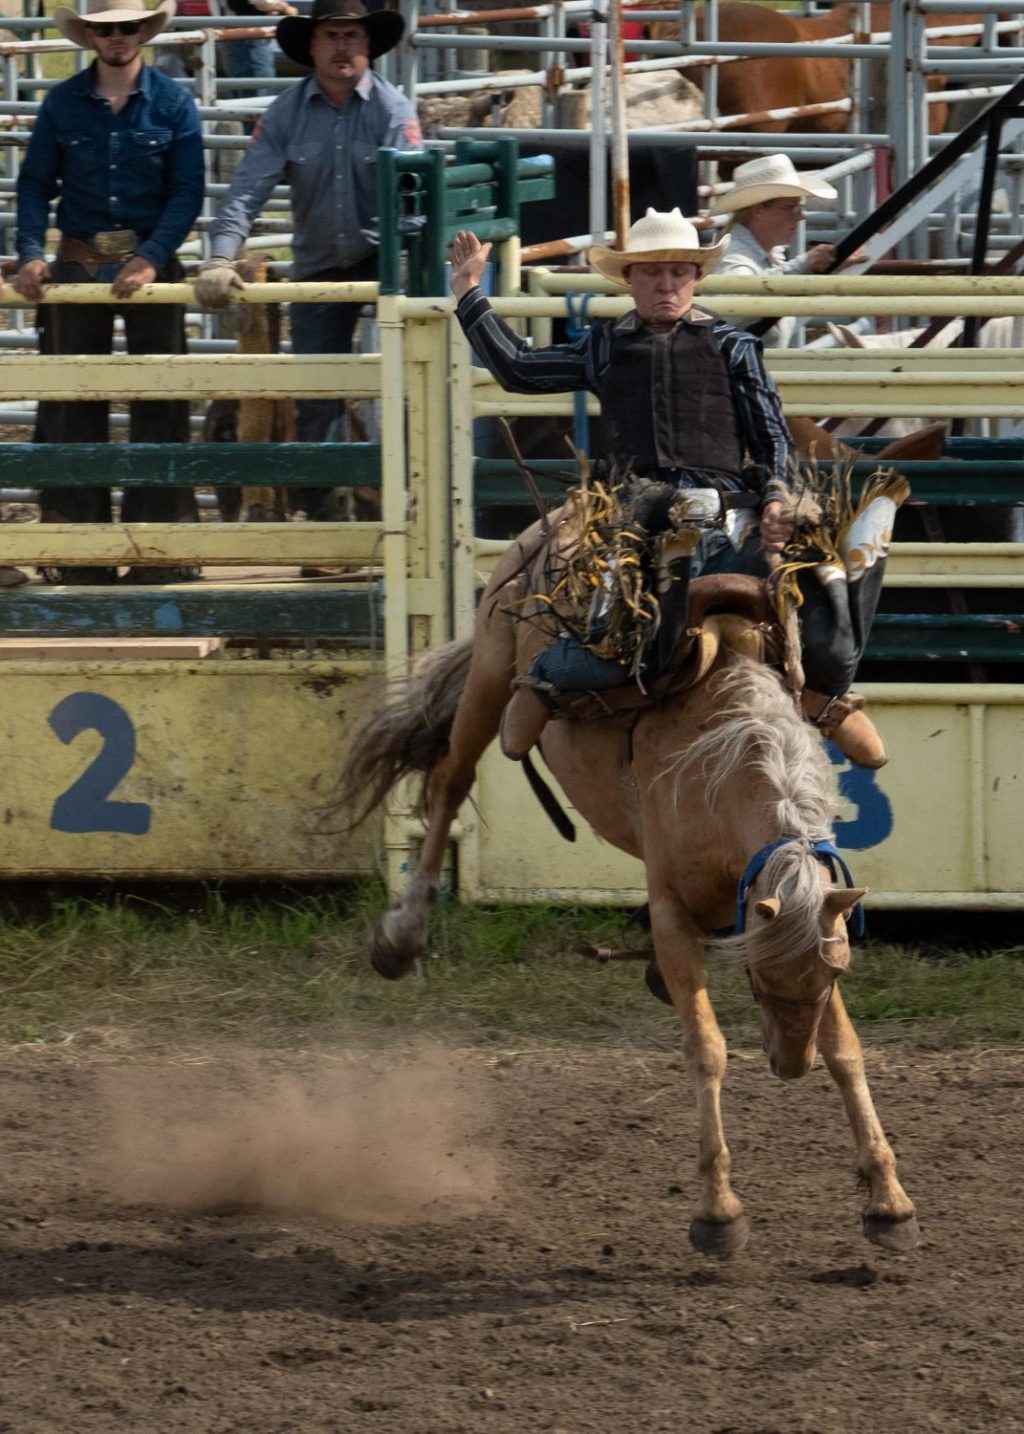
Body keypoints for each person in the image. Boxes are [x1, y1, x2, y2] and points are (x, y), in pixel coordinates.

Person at [449, 209, 888, 770]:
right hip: (639, 524)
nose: (666, 284)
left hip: (732, 519)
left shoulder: (734, 347)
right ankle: (545, 680)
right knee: (618, 629)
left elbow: (773, 436)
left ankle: (827, 694)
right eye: (652, 273)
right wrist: (468, 293)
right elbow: (518, 369)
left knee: (829, 588)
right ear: (629, 279)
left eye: (678, 272)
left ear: (696, 277)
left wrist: (778, 497)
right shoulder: (604, 346)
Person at [194, 0, 422, 522]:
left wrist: (407, 268)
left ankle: (411, 511)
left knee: (409, 384)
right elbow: (247, 191)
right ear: (313, 46)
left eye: (352, 36)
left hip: (386, 264)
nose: (343, 47)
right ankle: (327, 520)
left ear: (367, 46)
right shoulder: (286, 113)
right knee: (319, 392)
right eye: (332, 36)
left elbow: (412, 203)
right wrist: (221, 257)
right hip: (319, 265)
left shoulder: (394, 112)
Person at [14, 0, 205, 586]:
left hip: (148, 261)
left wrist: (150, 258)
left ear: (145, 30)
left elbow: (187, 190)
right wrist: (29, 254)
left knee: (161, 400)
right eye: (106, 28)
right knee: (72, 402)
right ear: (91, 34)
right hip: (80, 260)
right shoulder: (63, 103)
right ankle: (81, 551)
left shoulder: (173, 103)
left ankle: (157, 549)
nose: (118, 36)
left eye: (127, 26)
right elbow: (34, 183)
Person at [709, 153, 863, 347]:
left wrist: (820, 267)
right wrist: (803, 266)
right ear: (758, 211)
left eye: (799, 207)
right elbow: (733, 308)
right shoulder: (733, 257)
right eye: (790, 208)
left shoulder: (758, 254)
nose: (799, 216)